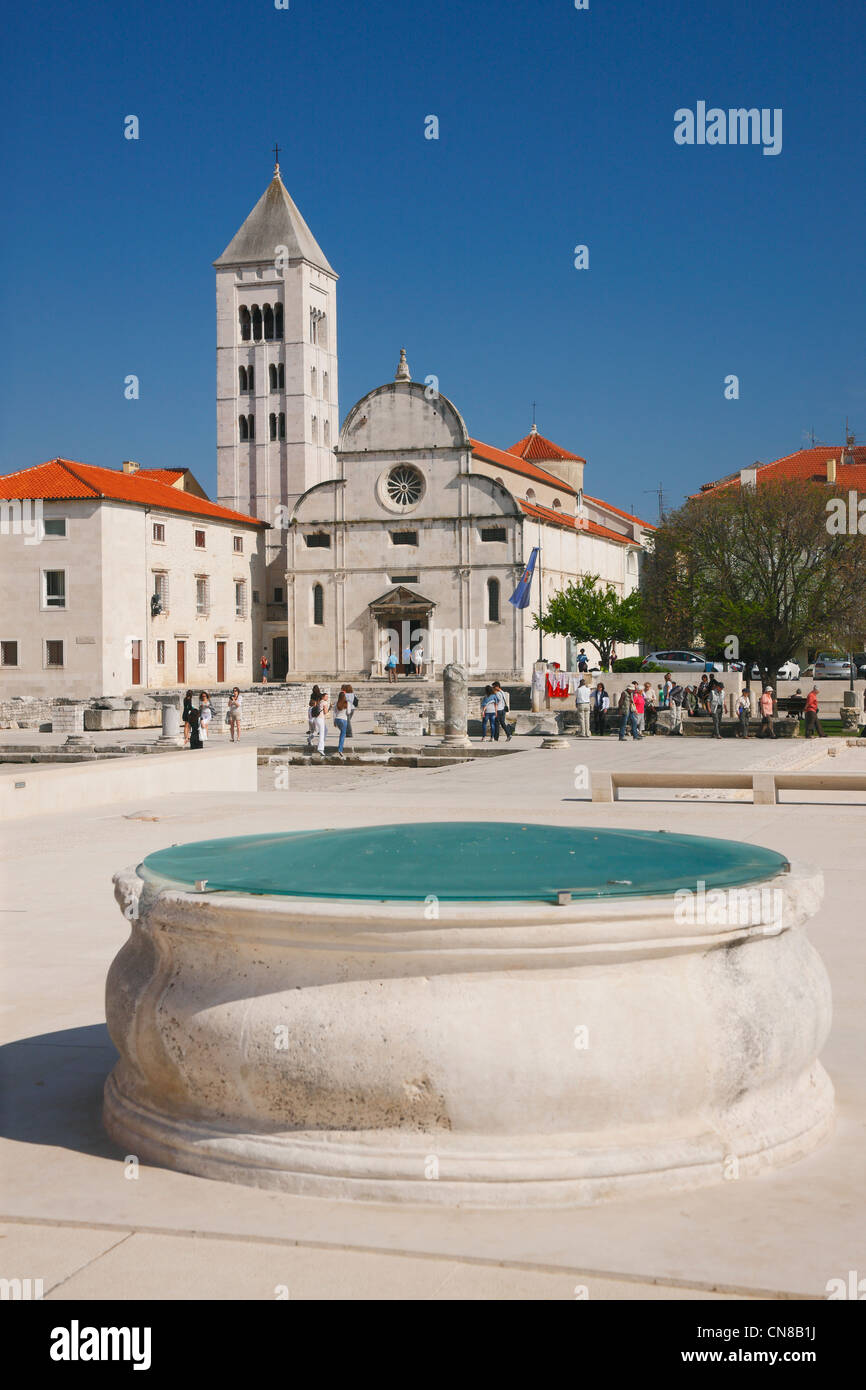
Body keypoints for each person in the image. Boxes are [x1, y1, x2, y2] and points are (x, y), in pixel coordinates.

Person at [333, 688, 350, 756]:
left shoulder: (336, 703)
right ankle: (340, 749)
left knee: (342, 733)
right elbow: (348, 712)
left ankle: (341, 745)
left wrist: (334, 721)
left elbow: (334, 713)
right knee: (343, 735)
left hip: (337, 719)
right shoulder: (347, 703)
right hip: (343, 720)